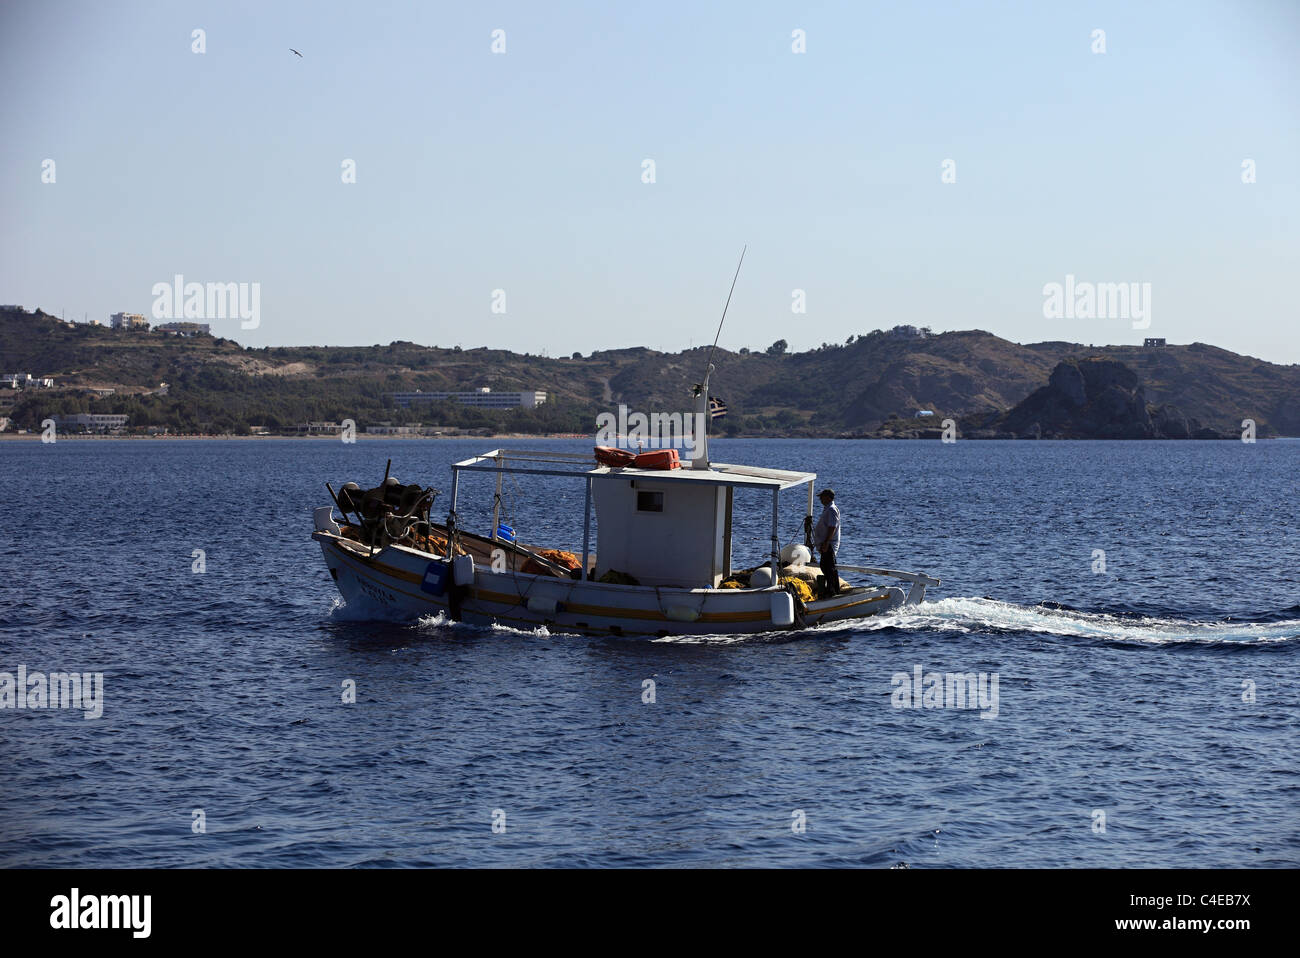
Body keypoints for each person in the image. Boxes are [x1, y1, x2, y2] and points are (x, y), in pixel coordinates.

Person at [813, 489, 841, 597]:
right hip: (826, 544)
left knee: (829, 568)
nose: (820, 499)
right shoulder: (828, 509)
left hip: (828, 544)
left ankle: (832, 591)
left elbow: (832, 527)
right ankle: (832, 590)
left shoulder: (831, 510)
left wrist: (826, 543)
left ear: (828, 497)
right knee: (825, 566)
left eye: (822, 497)